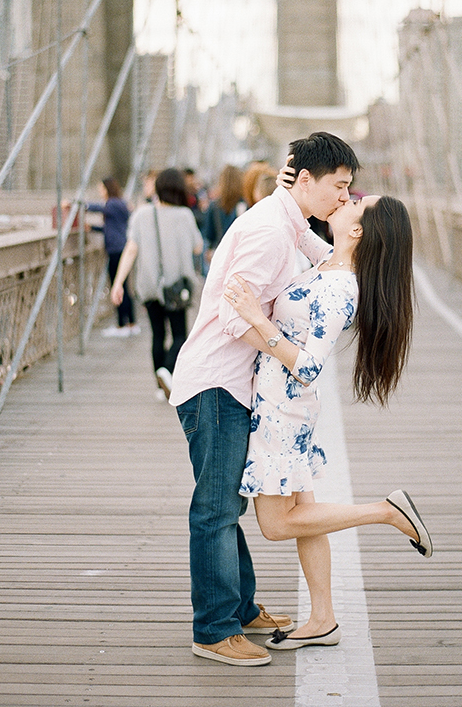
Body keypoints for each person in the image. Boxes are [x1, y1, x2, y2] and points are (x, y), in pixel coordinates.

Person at [169, 132, 359, 667]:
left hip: (234, 382)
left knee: (226, 502)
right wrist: (273, 336)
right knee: (216, 507)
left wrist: (299, 199)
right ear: (305, 180)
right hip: (217, 381)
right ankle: (213, 628)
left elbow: (329, 257)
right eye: (339, 188)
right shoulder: (270, 232)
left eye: (349, 191)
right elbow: (234, 316)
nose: (344, 200)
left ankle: (241, 607)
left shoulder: (285, 223)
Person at [224, 194, 431, 651]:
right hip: (282, 403)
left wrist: (257, 319)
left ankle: (385, 512)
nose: (347, 197)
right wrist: (287, 183)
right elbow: (297, 228)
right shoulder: (329, 263)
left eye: (356, 201)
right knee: (307, 516)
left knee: (278, 525)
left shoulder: (340, 289)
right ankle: (322, 618)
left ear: (357, 230)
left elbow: (311, 365)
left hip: (283, 408)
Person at [110, 168, 203, 398]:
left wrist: (118, 283)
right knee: (180, 335)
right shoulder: (184, 215)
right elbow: (198, 247)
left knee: (158, 335)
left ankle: (159, 386)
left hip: (150, 286)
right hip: (176, 287)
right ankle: (167, 370)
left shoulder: (142, 214)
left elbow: (131, 250)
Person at [85, 177, 138, 338]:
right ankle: (131, 323)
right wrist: (93, 228)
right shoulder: (120, 203)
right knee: (125, 288)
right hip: (121, 246)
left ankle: (122, 324)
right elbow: (112, 227)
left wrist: (79, 205)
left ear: (108, 188)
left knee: (118, 286)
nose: (100, 192)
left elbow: (99, 208)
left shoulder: (113, 203)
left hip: (116, 249)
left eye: (101, 188)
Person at [202, 164, 245, 266]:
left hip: (219, 253)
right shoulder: (243, 204)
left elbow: (208, 233)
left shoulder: (214, 206)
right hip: (239, 254)